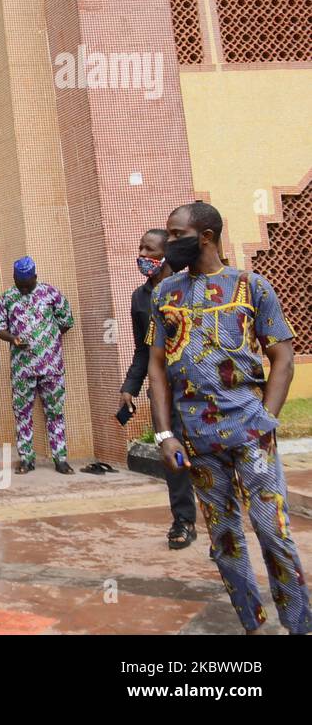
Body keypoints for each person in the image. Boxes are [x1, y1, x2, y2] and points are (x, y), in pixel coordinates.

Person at [149, 201, 309, 635]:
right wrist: (165, 434)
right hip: (197, 440)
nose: (169, 243)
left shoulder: (251, 286)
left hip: (250, 431)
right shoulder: (166, 294)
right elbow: (157, 368)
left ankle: (298, 626)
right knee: (224, 541)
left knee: (272, 532)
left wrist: (267, 420)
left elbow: (283, 357)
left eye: (178, 234)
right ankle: (252, 625)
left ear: (207, 235)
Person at [120, 228, 196, 549]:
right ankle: (184, 520)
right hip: (162, 393)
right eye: (139, 248)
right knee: (173, 456)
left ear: (166, 253)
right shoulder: (140, 297)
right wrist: (130, 387)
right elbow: (143, 349)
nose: (142, 255)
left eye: (149, 249)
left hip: (194, 388)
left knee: (205, 457)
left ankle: (221, 525)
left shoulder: (188, 288)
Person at [0, 257, 75, 475]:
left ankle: (61, 459)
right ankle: (26, 459)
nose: (25, 288)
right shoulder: (8, 297)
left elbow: (66, 320)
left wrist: (49, 339)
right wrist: (12, 338)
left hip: (52, 368)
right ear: (14, 279)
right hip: (23, 369)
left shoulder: (51, 293)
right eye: (21, 284)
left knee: (55, 413)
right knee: (22, 414)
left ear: (35, 277)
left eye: (28, 284)